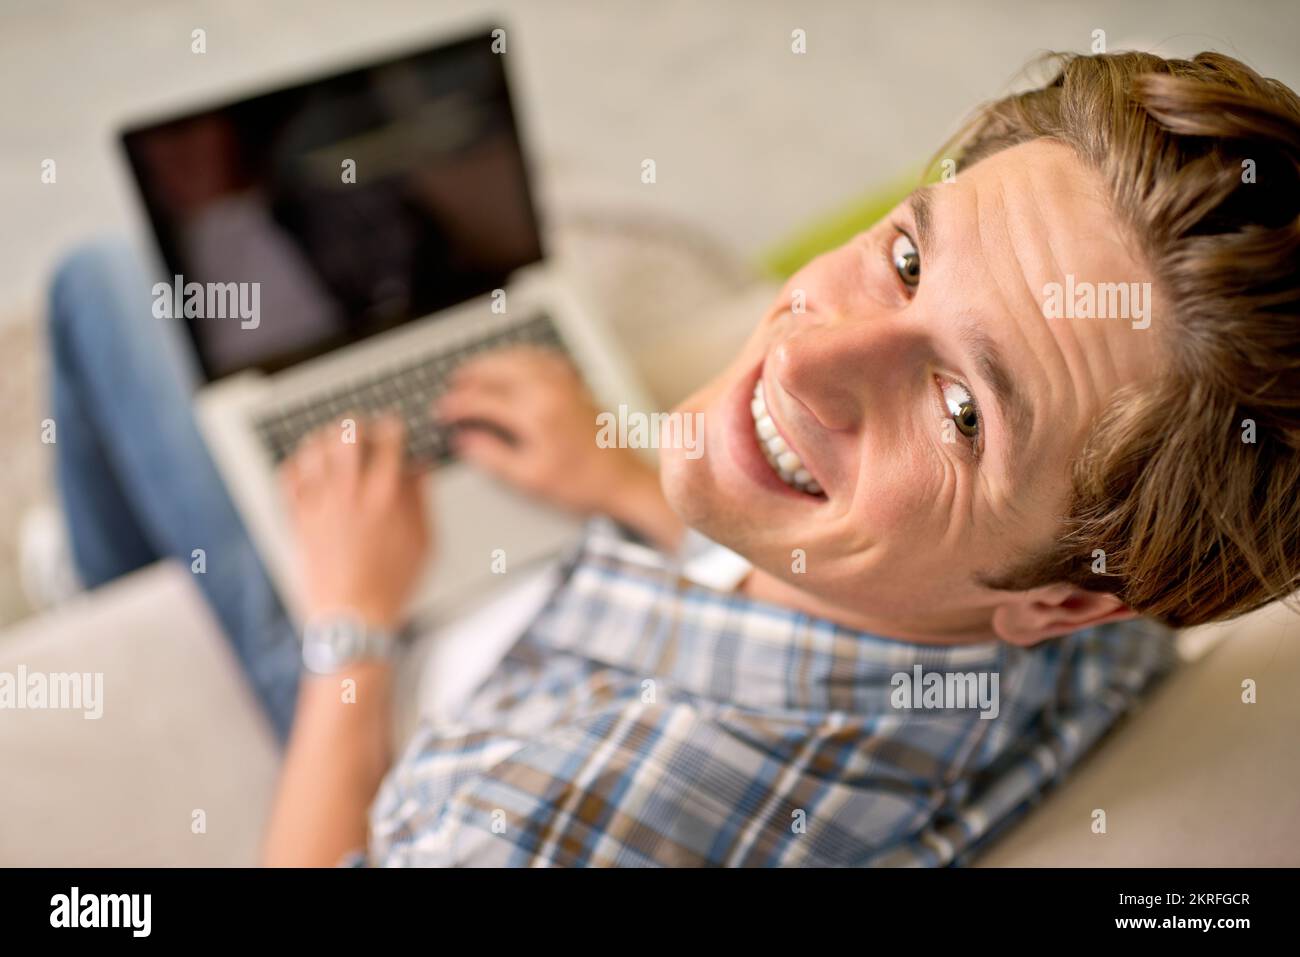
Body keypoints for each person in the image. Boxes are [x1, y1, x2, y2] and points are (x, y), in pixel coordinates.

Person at [44, 50, 1300, 867]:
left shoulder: (518, 828)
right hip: (604, 585)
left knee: (112, 285)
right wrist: (628, 485)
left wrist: (351, 631)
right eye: (908, 257)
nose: (803, 356)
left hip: (399, 696)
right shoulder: (1104, 612)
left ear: (1060, 600)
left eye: (964, 410)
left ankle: (107, 589)